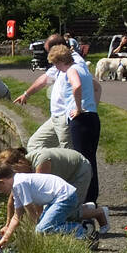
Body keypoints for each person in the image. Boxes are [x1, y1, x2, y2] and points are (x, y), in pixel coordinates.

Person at [16, 33, 97, 157]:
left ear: (58, 49)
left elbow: (86, 85)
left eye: (48, 51)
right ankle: (48, 171)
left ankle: (65, 173)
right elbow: (45, 79)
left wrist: (81, 108)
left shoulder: (74, 62)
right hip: (55, 116)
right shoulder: (60, 63)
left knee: (69, 153)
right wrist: (26, 94)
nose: (48, 56)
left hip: (65, 116)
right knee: (34, 144)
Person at [0, 146, 109, 230]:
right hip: (64, 180)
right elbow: (12, 199)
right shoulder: (20, 175)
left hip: (79, 170)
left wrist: (39, 226)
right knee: (57, 213)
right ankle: (87, 207)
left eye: (14, 172)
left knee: (65, 214)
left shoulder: (41, 163)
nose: (13, 176)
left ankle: (98, 213)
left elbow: (38, 205)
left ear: (20, 163)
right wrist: (7, 225)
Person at [0, 163, 96, 246]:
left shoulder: (19, 184)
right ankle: (80, 229)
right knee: (44, 228)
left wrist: (35, 232)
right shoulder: (16, 186)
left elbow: (31, 212)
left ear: (2, 181)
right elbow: (17, 216)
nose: (0, 191)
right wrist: (6, 237)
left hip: (65, 197)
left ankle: (85, 231)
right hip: (57, 199)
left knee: (42, 230)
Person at [49, 44, 102, 203]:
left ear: (60, 61)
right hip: (92, 117)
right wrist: (91, 105)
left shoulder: (71, 70)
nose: (55, 67)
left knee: (82, 161)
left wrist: (78, 108)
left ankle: (85, 199)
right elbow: (97, 87)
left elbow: (76, 85)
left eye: (55, 63)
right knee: (90, 158)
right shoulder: (82, 69)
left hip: (80, 120)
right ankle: (91, 198)